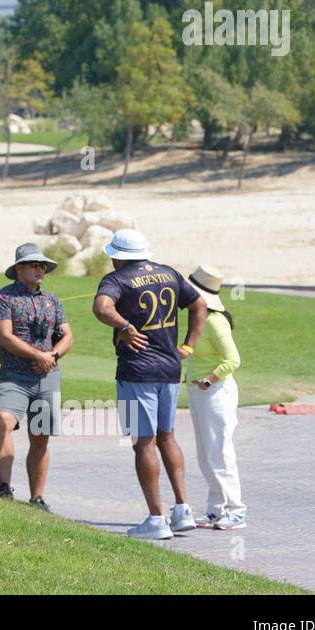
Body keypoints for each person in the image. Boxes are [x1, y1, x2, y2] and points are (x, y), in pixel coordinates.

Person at [92, 229, 207, 540]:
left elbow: (102, 308)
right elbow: (199, 306)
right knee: (167, 437)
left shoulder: (117, 279)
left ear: (117, 255)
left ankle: (156, 519)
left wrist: (125, 326)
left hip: (136, 370)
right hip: (170, 367)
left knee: (143, 442)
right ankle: (183, 510)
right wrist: (188, 346)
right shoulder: (169, 273)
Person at [0, 243, 72, 511]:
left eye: (42, 265)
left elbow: (67, 335)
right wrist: (38, 356)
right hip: (14, 376)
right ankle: (4, 487)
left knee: (40, 437)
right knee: (1, 421)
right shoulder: (2, 298)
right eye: (34, 265)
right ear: (19, 269)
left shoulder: (53, 300)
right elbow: (5, 336)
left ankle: (37, 498)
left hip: (48, 376)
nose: (40, 269)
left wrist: (52, 357)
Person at [185, 265, 246, 530]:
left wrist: (209, 379)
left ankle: (236, 511)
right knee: (205, 454)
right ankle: (215, 509)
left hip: (215, 393)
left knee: (220, 452)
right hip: (199, 393)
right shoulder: (197, 318)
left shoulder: (214, 321)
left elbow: (233, 359)